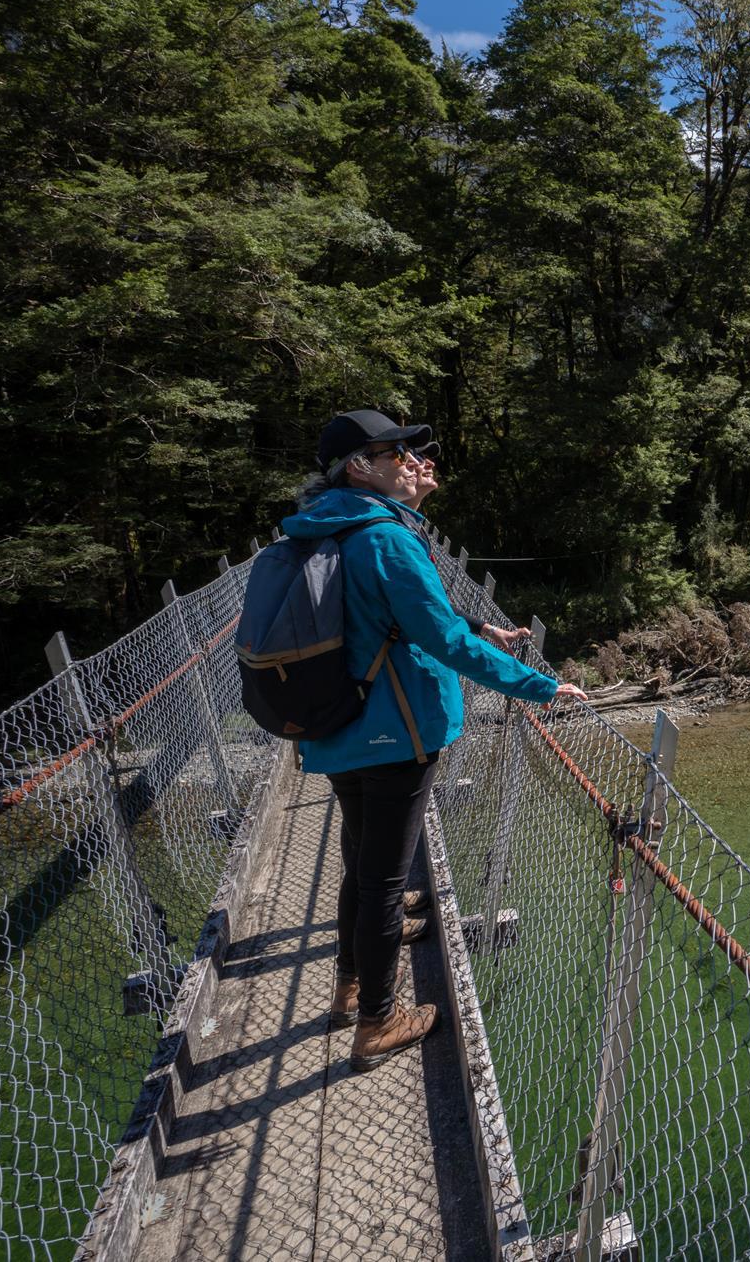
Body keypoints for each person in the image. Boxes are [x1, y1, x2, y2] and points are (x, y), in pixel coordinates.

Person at [284, 410, 585, 1072]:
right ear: (361, 467)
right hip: (395, 729)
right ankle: (377, 1021)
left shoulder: (326, 528)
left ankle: (349, 985)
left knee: (363, 859)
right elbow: (436, 638)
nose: (409, 458)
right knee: (384, 881)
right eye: (393, 450)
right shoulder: (386, 539)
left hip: (339, 723)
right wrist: (536, 686)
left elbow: (398, 616)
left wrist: (479, 626)